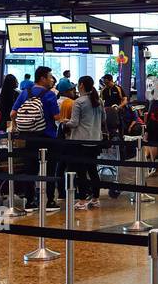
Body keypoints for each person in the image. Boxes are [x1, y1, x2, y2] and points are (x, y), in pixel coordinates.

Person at [11, 66, 61, 211]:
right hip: (47, 137)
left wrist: (17, 127)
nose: (52, 80)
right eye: (50, 77)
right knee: (50, 169)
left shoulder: (25, 92)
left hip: (27, 137)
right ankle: (50, 201)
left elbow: (13, 113)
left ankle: (30, 201)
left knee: (30, 168)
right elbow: (56, 117)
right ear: (43, 78)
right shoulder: (50, 94)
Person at [64, 76, 104, 210]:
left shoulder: (79, 102)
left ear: (81, 85)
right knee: (93, 170)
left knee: (81, 172)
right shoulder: (98, 101)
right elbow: (103, 118)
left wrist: (65, 123)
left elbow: (74, 123)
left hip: (81, 141)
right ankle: (95, 199)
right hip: (95, 140)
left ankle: (81, 200)